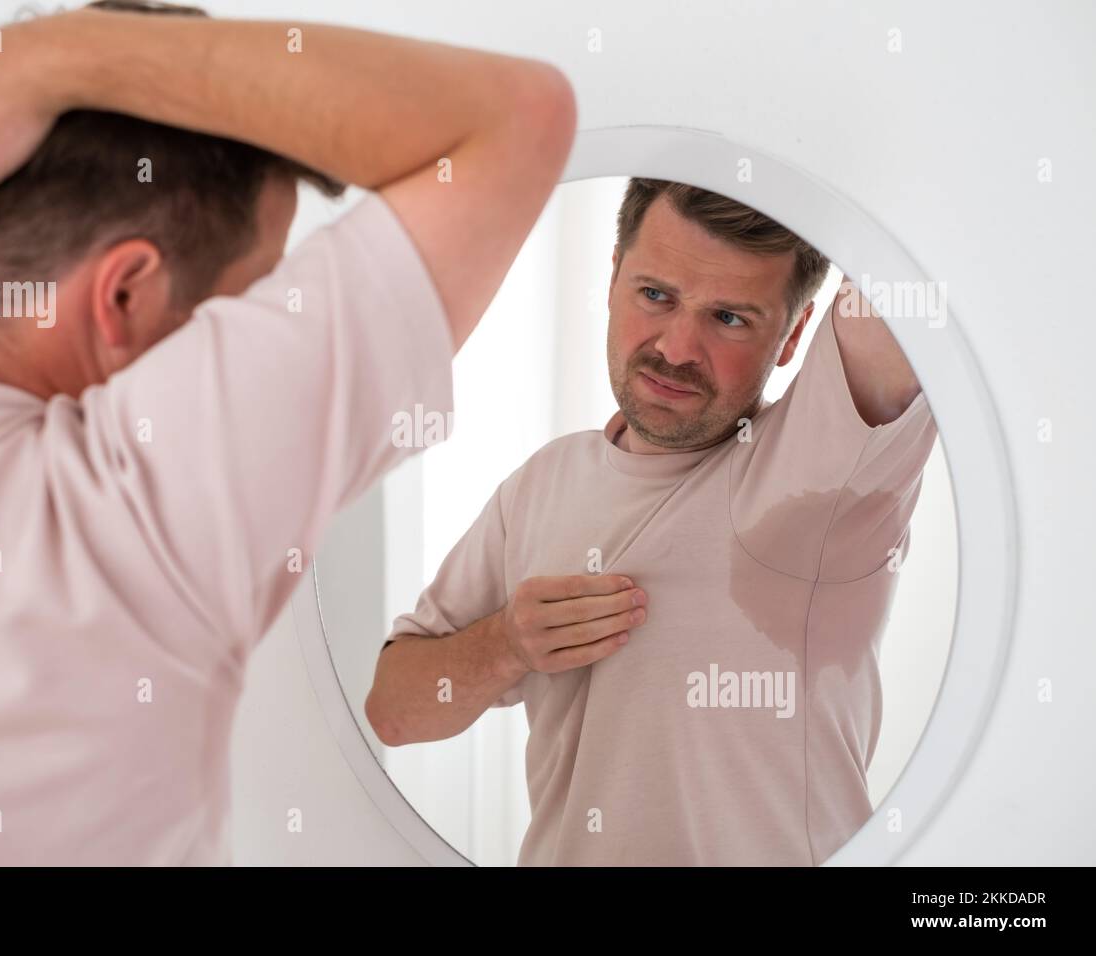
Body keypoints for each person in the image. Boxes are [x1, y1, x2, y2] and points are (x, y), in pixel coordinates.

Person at [0, 1, 576, 864]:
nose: (253, 332)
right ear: (124, 296)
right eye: (253, 294)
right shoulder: (125, 502)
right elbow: (514, 120)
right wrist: (30, 63)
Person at [366, 179, 937, 866]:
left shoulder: (822, 468)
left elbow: (919, 243)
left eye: (729, 318)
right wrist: (506, 644)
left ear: (791, 338)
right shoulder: (541, 485)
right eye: (656, 295)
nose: (676, 348)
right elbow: (393, 712)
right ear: (611, 279)